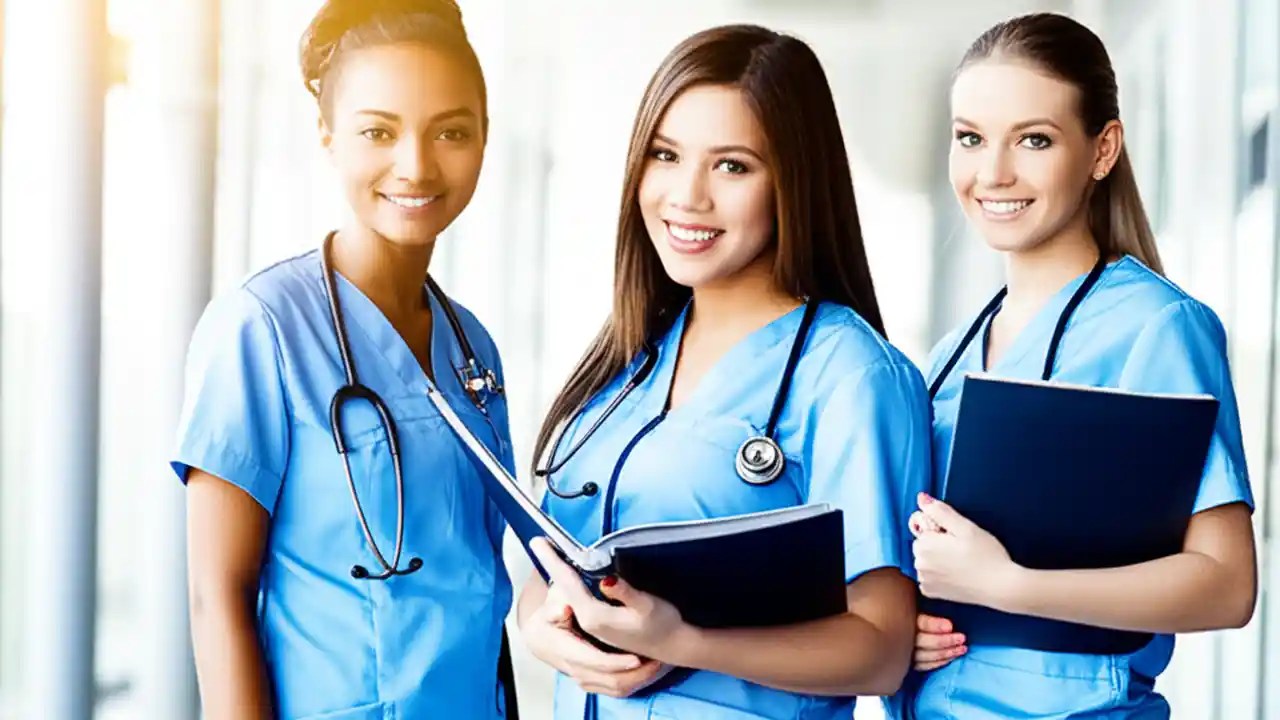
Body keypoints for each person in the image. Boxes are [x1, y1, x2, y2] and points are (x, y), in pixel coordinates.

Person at [517, 24, 930, 720]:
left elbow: (881, 650)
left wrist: (686, 642)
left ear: (792, 182)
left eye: (732, 166)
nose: (687, 196)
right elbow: (553, 564)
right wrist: (540, 624)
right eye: (666, 155)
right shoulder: (630, 359)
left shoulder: (851, 374)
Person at [895, 12, 1257, 719]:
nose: (993, 173)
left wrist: (1009, 585)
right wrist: (906, 630)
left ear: (1102, 149)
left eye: (1033, 139)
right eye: (970, 138)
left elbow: (1226, 585)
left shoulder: (1155, 328)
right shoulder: (948, 358)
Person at [171, 1, 518, 717]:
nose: (416, 165)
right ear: (328, 136)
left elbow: (477, 582)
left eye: (451, 131)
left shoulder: (472, 347)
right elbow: (216, 598)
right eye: (378, 132)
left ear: (485, 136)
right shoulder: (262, 329)